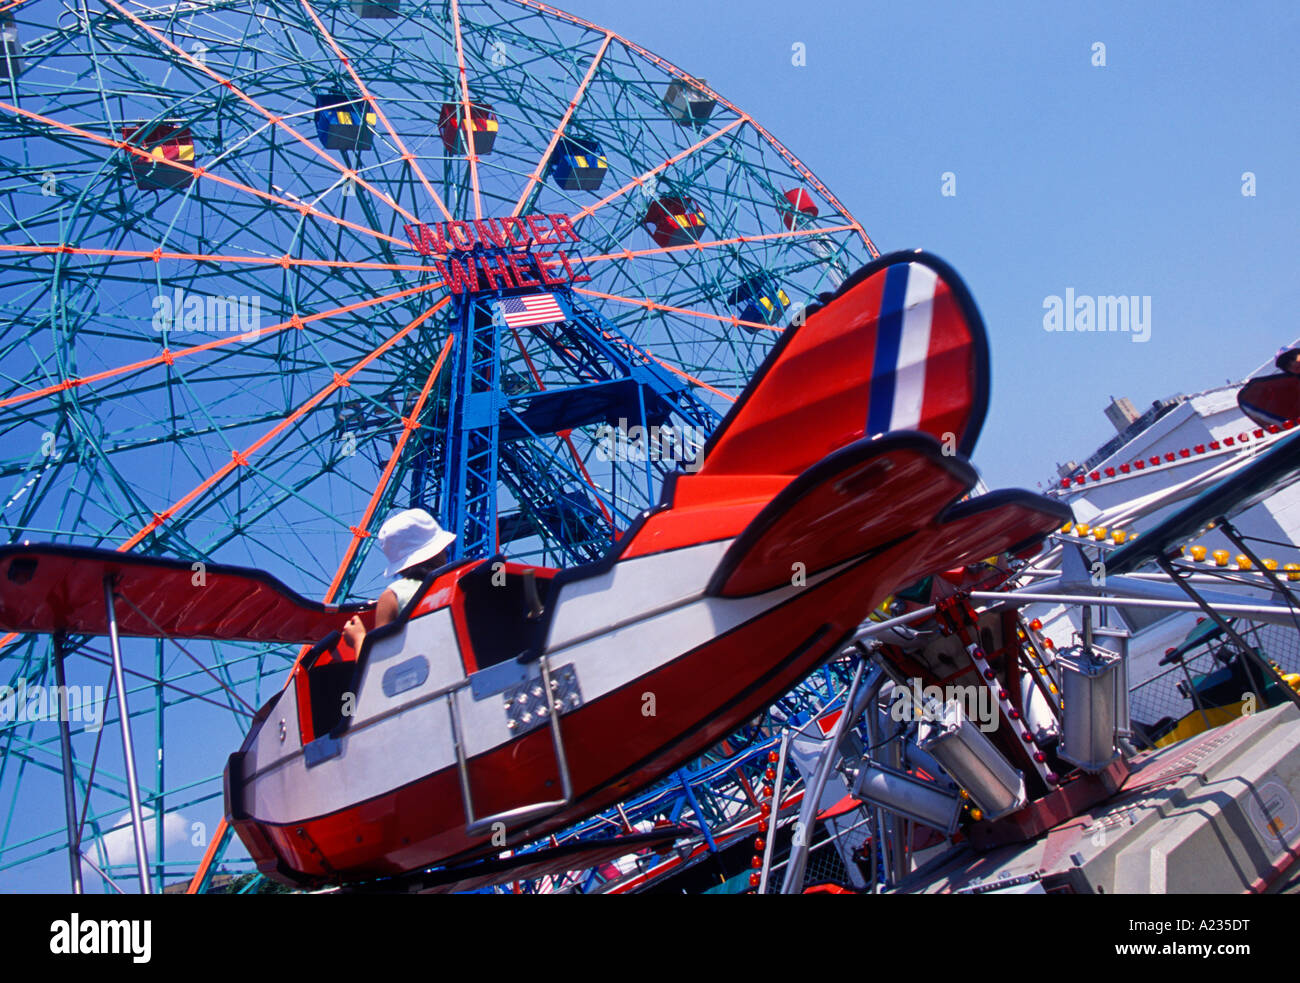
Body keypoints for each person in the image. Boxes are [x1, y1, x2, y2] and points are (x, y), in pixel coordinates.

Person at [342, 508, 456, 652]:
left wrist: (359, 640)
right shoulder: (454, 585)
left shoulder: (393, 596)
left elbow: (381, 666)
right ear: (438, 551)